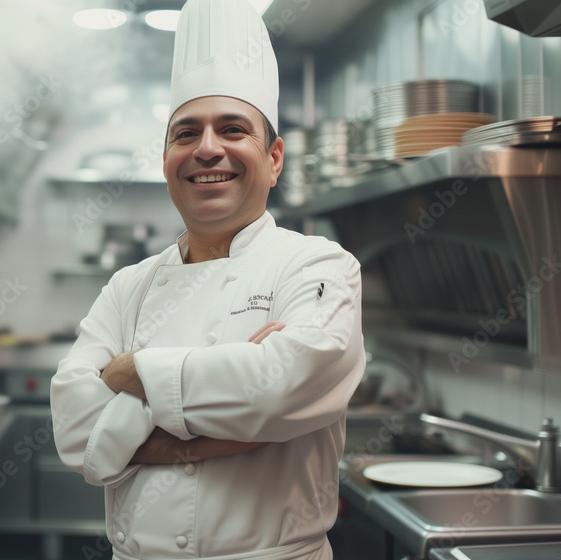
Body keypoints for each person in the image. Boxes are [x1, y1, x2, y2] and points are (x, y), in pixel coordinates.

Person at [49, 0, 366, 558]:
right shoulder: (130, 286)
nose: (208, 149)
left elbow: (282, 385)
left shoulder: (318, 265)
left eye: (233, 129)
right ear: (167, 158)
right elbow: (74, 432)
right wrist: (232, 412)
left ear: (273, 159)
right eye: (186, 132)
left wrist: (130, 374)